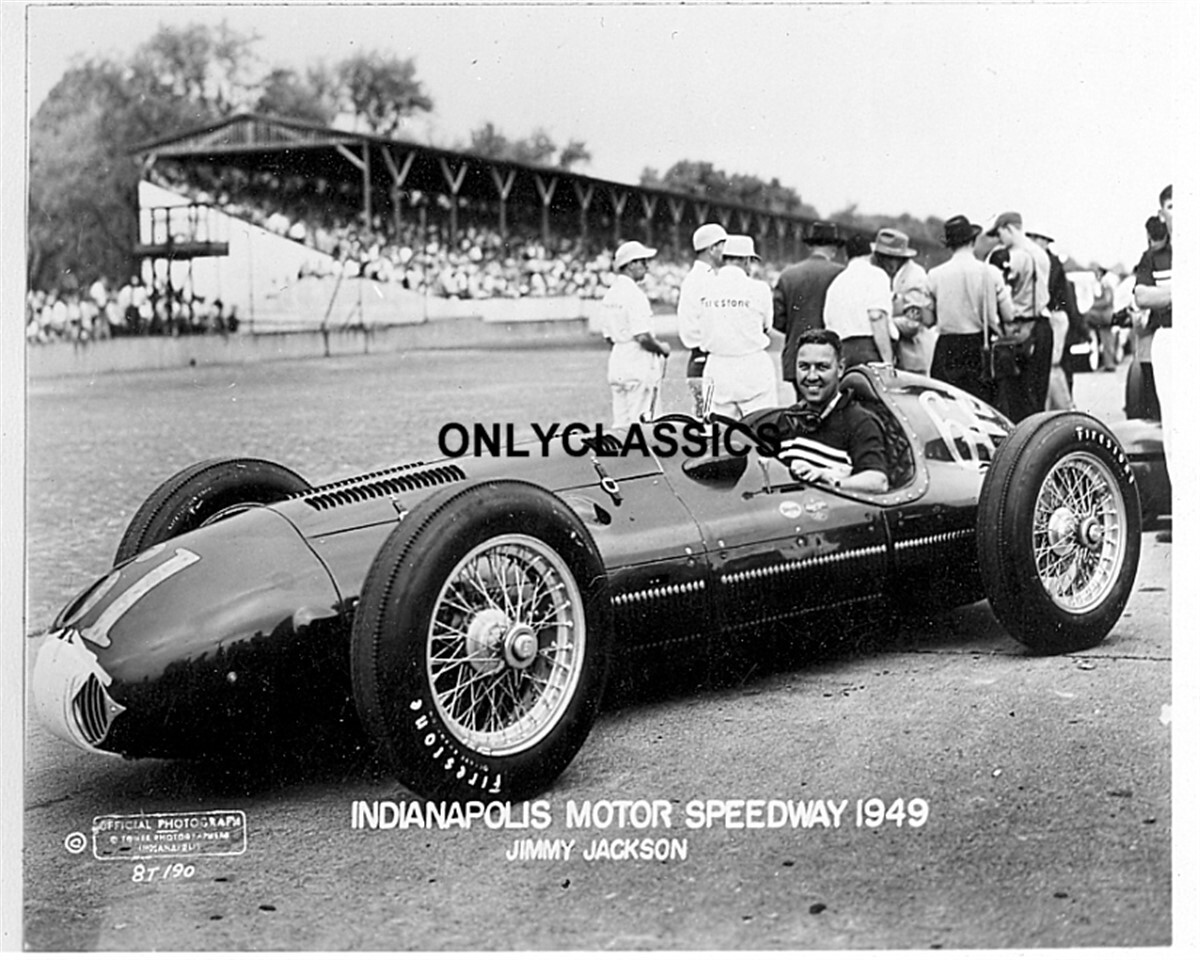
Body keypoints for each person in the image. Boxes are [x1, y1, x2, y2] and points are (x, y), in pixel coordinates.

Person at [743, 329, 889, 494]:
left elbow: (878, 480)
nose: (811, 377)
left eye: (822, 367)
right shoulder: (787, 418)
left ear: (840, 369)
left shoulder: (860, 421)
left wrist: (828, 478)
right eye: (804, 367)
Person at [926, 215, 1014, 403]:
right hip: (979, 345)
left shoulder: (934, 275)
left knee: (948, 405)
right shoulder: (990, 272)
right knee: (981, 406)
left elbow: (927, 320)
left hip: (946, 348)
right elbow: (1009, 314)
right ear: (973, 241)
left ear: (949, 245)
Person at [698, 235, 778, 418]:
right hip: (751, 364)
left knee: (717, 435)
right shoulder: (760, 289)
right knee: (762, 428)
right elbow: (766, 326)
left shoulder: (705, 287)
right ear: (746, 261)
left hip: (717, 366)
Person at [1133, 184, 1172, 539]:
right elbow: (1142, 295)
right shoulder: (1155, 257)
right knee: (1172, 429)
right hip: (1171, 337)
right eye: (1171, 206)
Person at [986, 211, 1052, 421]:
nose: (999, 240)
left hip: (1021, 328)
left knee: (1015, 398)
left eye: (999, 234)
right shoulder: (1041, 253)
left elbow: (1002, 294)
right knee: (1037, 396)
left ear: (1009, 229)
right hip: (1041, 326)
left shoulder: (1015, 256)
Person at [600, 240, 670, 429]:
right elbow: (642, 337)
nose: (646, 267)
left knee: (621, 424)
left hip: (618, 360)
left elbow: (607, 336)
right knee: (642, 425)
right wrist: (661, 348)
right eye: (642, 262)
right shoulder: (634, 294)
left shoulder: (611, 294)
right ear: (631, 264)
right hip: (636, 362)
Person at [772, 221, 845, 401]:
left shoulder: (788, 274)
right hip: (829, 357)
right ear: (834, 248)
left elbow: (777, 320)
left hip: (797, 355)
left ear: (811, 246)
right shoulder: (841, 274)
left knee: (803, 406)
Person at [1027, 228, 1084, 409]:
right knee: (1049, 366)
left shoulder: (1048, 262)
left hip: (1054, 316)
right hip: (1054, 317)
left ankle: (1063, 408)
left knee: (1051, 365)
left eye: (1036, 237)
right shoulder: (1049, 261)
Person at [677, 222, 727, 415]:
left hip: (699, 358)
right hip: (705, 357)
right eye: (723, 244)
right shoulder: (705, 280)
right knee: (711, 421)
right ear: (712, 248)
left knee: (705, 418)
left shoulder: (697, 278)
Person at [822, 233, 894, 367]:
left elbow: (828, 324)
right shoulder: (877, 275)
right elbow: (876, 317)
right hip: (869, 350)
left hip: (842, 352)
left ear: (846, 256)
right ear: (871, 254)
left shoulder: (836, 283)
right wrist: (887, 361)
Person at [871, 228, 933, 374]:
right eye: (881, 256)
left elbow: (912, 324)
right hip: (891, 359)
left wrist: (883, 323)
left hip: (912, 360)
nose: (884, 262)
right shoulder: (879, 275)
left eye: (889, 257)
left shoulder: (915, 277)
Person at [1083, 264, 1116, 372]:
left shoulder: (1105, 284)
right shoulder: (1106, 283)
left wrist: (1092, 306)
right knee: (1106, 340)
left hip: (1104, 316)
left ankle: (1109, 364)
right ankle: (1107, 363)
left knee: (1106, 340)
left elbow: (1106, 300)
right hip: (1105, 316)